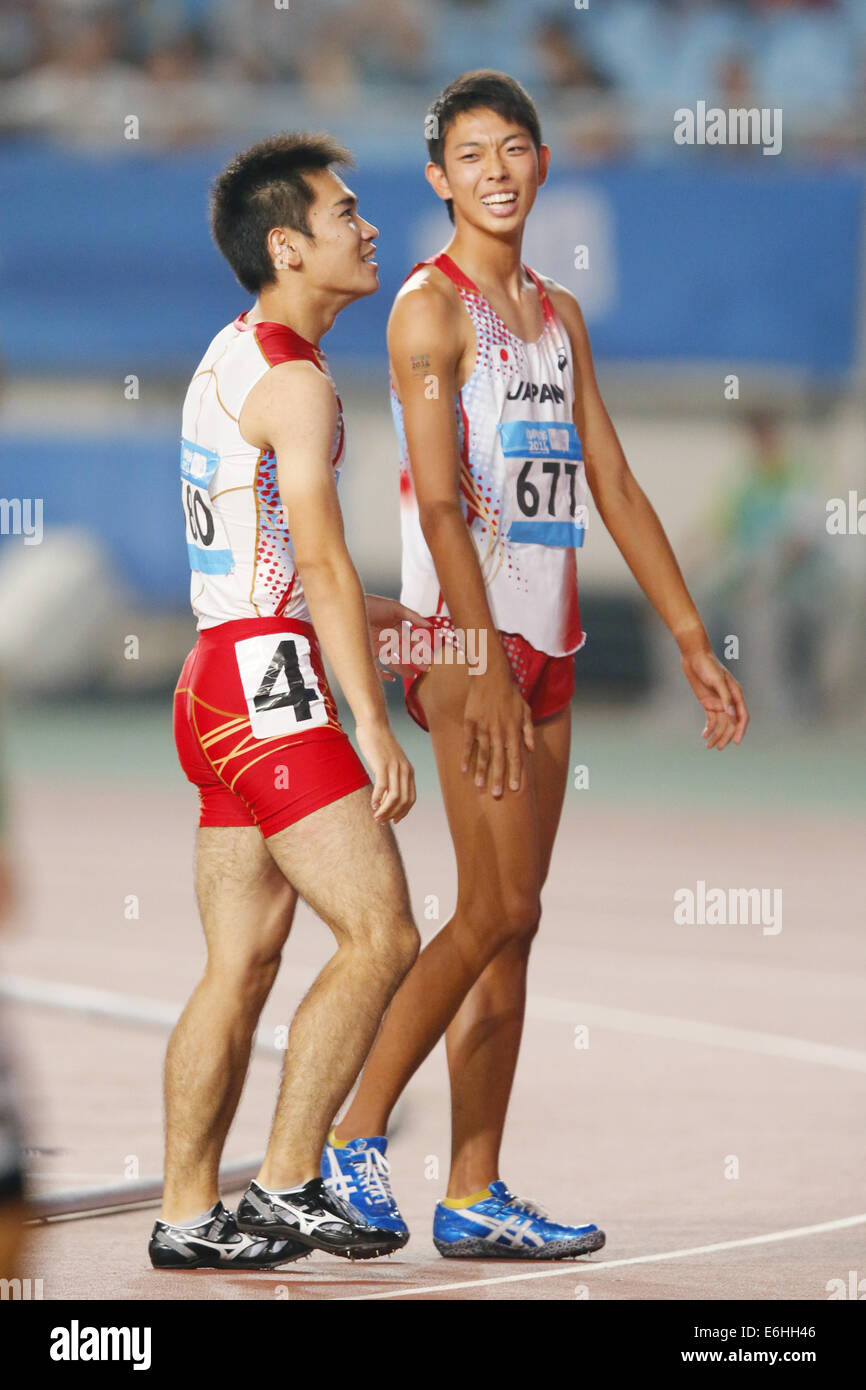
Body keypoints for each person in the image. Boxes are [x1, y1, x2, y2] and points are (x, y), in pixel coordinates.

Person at [322, 70, 749, 1259]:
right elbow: (439, 503)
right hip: (470, 647)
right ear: (437, 178)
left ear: (543, 163)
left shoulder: (556, 315)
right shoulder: (427, 312)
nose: (496, 171)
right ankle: (352, 1136)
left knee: (515, 923)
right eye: (471, 155)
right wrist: (481, 659)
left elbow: (609, 479)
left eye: (513, 148)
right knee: (496, 906)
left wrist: (685, 634)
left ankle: (473, 1190)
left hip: (547, 643)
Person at [150, 132, 424, 1270]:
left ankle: (185, 1214)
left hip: (212, 684)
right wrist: (371, 719)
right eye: (345, 212)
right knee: (382, 933)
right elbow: (314, 562)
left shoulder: (229, 355)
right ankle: (286, 1180)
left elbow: (273, 557)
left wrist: (400, 625)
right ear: (286, 246)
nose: (369, 227)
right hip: (271, 691)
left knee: (241, 965)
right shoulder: (300, 385)